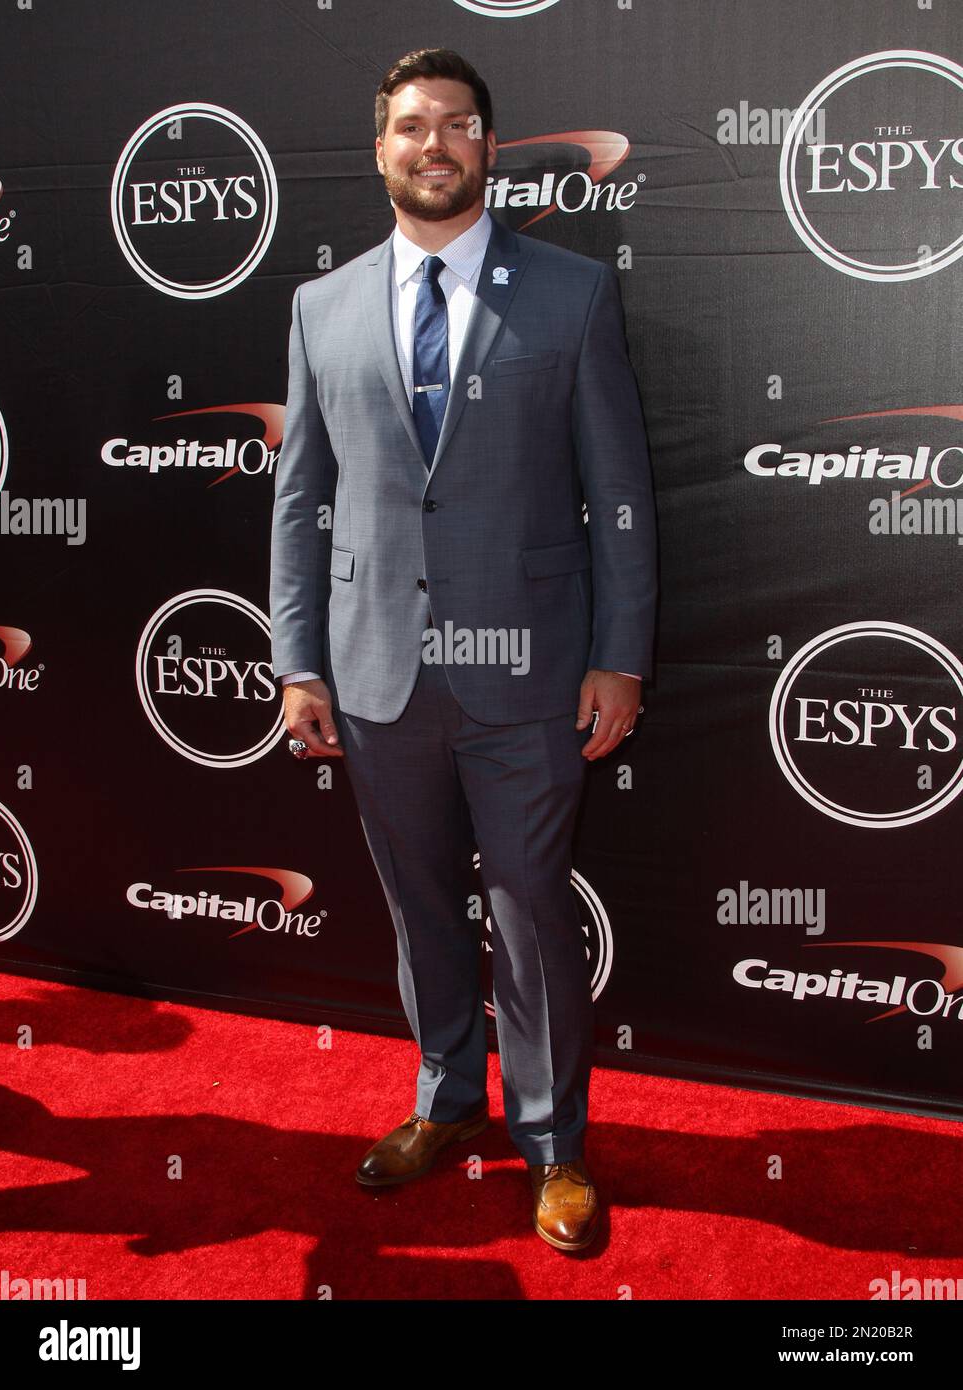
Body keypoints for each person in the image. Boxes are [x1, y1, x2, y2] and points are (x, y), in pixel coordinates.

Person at [269, 47, 657, 1252]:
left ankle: (551, 1142)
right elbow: (297, 496)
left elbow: (620, 491)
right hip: (376, 668)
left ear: (488, 148)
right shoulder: (318, 307)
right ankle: (443, 1101)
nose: (431, 144)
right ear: (379, 150)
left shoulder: (572, 293)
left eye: (456, 125)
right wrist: (296, 659)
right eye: (409, 126)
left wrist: (620, 655)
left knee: (533, 907)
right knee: (419, 903)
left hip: (533, 671)